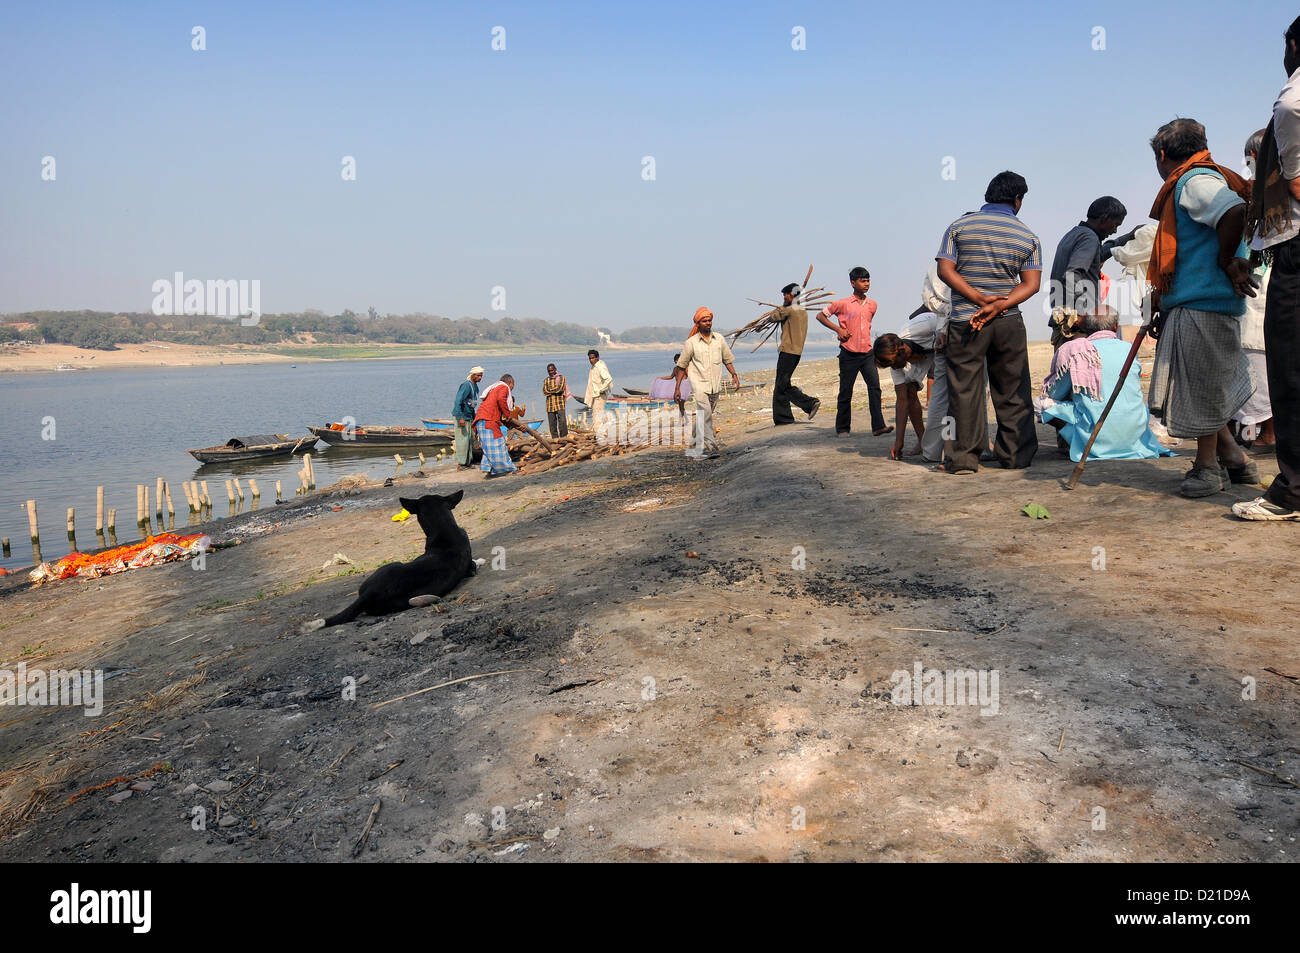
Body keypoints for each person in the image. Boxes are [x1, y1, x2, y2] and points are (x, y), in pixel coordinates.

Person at [1144, 118, 1258, 498]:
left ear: (1162, 155)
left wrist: (1227, 261)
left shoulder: (1194, 181)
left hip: (1202, 304)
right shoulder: (1204, 176)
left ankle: (1207, 469)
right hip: (1200, 302)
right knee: (1204, 383)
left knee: (1202, 387)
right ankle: (1235, 460)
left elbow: (1233, 212)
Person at [936, 170, 1043, 473]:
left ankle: (962, 459)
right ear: (1018, 199)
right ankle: (1015, 456)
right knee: (1012, 388)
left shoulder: (958, 226)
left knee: (963, 391)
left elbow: (946, 270)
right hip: (1008, 321)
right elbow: (1031, 285)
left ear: (988, 195)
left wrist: (979, 300)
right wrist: (999, 305)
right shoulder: (1028, 235)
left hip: (966, 321)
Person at [1237, 19, 1300, 520]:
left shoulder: (1292, 99)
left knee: (1290, 366)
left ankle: (1293, 491)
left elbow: (1292, 106)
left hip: (1295, 249)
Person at [1038, 310, 1172, 461]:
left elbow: (1056, 394)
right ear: (1115, 327)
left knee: (1041, 405)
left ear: (1086, 327)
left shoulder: (1075, 350)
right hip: (1133, 433)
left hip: (1096, 434)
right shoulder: (1129, 348)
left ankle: (1078, 443)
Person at [1232, 129, 1276, 454]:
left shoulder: (1262, 192)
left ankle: (1267, 433)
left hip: (1261, 288)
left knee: (1259, 360)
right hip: (1267, 285)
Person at [1048, 197, 1137, 345]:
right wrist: (1079, 316)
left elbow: (1098, 255)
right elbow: (1072, 275)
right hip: (1077, 328)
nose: (1114, 230)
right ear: (1104, 218)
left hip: (1066, 323)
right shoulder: (1089, 238)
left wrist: (1128, 237)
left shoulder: (1075, 234)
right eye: (1115, 224)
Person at [816, 267, 891, 437]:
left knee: (875, 388)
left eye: (868, 280)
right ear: (853, 283)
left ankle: (878, 426)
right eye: (863, 281)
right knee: (845, 391)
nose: (867, 284)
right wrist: (838, 330)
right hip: (848, 353)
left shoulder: (873, 305)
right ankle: (842, 428)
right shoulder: (842, 304)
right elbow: (820, 316)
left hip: (867, 354)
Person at [673, 307, 739, 459]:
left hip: (715, 384)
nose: (708, 323)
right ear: (698, 323)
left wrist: (734, 375)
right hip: (699, 384)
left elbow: (727, 359)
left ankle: (692, 445)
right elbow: (681, 366)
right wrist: (677, 389)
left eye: (709, 320)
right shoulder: (691, 343)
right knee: (706, 413)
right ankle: (711, 446)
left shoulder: (719, 339)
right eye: (704, 321)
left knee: (704, 415)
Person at [873, 309, 938, 459]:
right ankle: (923, 441)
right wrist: (898, 441)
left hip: (941, 340)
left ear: (901, 351)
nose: (894, 368)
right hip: (921, 357)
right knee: (909, 391)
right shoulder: (895, 361)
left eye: (893, 364)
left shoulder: (923, 326)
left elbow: (947, 324)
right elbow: (901, 402)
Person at [771, 282, 821, 425]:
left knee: (782, 384)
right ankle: (783, 418)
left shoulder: (790, 309)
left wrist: (780, 308)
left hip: (788, 351)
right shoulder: (802, 310)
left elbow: (773, 317)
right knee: (782, 383)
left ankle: (810, 403)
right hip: (796, 352)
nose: (784, 297)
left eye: (785, 294)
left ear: (791, 295)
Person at [473, 374, 524, 478]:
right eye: (512, 386)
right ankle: (509, 469)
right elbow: (502, 400)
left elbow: (502, 418)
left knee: (488, 447)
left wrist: (516, 426)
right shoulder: (503, 387)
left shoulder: (494, 390)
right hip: (488, 420)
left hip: (483, 420)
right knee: (498, 444)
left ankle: (489, 469)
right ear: (510, 383)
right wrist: (507, 413)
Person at [452, 366, 484, 470]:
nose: (480, 378)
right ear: (473, 375)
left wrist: (475, 419)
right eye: (479, 375)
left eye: (481, 376)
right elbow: (458, 401)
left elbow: (472, 404)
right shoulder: (466, 385)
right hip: (462, 416)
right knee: (463, 440)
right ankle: (461, 464)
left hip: (469, 416)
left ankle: (468, 462)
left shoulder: (474, 386)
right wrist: (460, 417)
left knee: (470, 439)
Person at [585, 349, 613, 427]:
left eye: (593, 358)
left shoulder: (600, 366)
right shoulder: (594, 367)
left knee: (598, 418)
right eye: (590, 358)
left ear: (597, 358)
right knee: (597, 415)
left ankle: (599, 435)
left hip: (599, 396)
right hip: (596, 395)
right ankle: (599, 433)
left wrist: (600, 390)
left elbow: (608, 379)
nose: (591, 360)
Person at [542, 363, 569, 438]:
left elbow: (561, 389)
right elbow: (544, 392)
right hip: (550, 405)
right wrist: (555, 390)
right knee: (552, 424)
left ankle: (564, 438)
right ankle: (555, 439)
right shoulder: (546, 380)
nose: (550, 372)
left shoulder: (561, 378)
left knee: (562, 422)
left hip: (560, 404)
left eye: (552, 370)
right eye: (549, 371)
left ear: (555, 370)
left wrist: (550, 391)